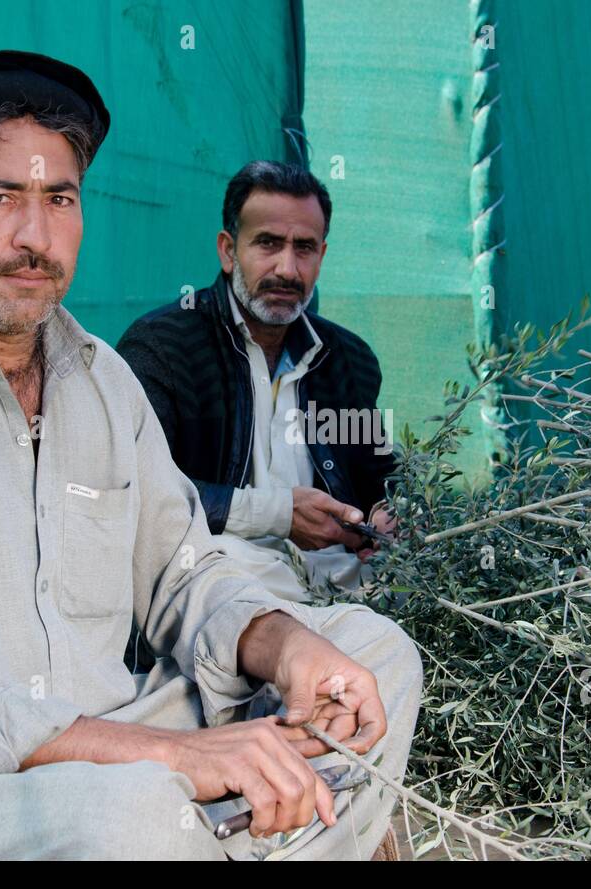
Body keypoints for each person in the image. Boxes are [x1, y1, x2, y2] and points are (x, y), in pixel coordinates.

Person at [0, 50, 421, 861]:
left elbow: (184, 572)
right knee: (137, 817)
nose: (35, 236)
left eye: (58, 198)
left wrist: (288, 645)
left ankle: (226, 840)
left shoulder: (100, 381)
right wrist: (172, 758)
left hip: (106, 748)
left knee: (374, 659)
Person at [117, 161, 398, 603]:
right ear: (228, 251)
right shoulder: (164, 347)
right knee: (222, 570)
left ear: (321, 257)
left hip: (335, 575)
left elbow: (382, 475)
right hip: (217, 572)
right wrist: (279, 515)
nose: (287, 269)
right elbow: (141, 493)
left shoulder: (347, 359)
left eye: (304, 248)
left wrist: (385, 513)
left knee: (418, 581)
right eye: (268, 243)